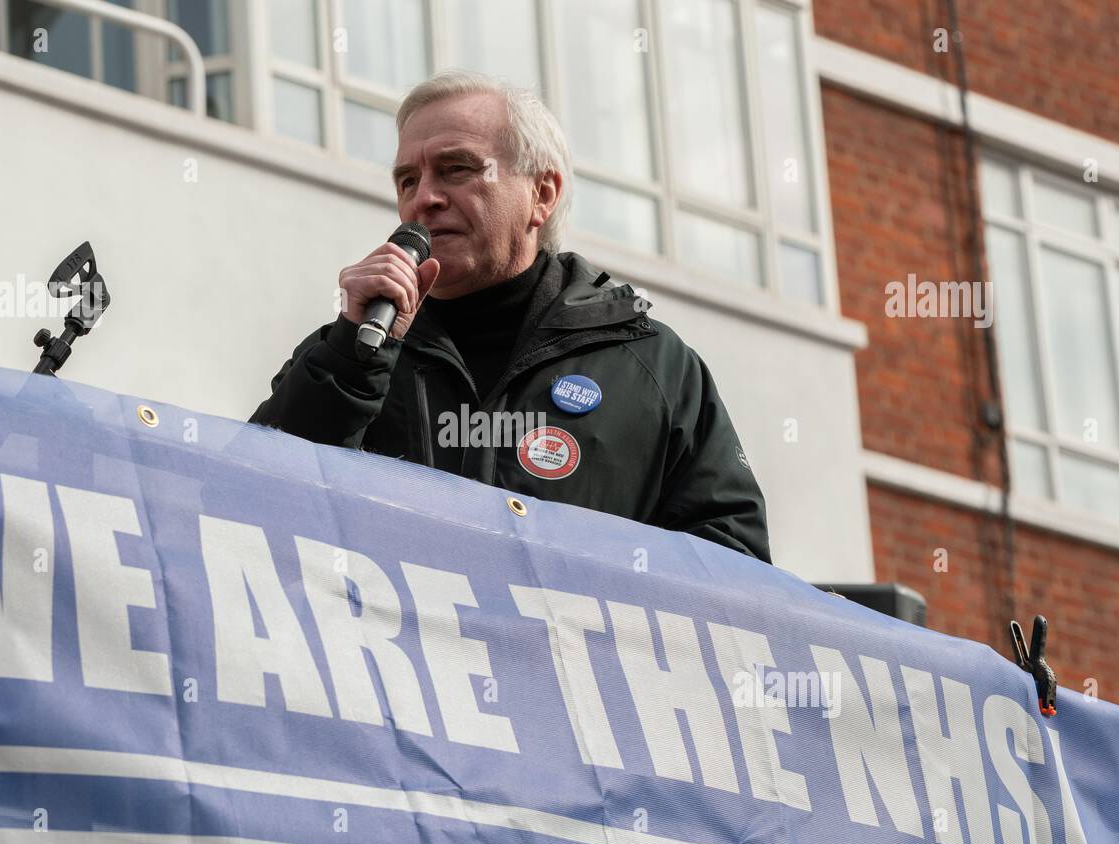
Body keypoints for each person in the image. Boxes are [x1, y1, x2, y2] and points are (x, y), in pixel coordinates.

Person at [250, 70, 771, 564]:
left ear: (541, 195)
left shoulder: (652, 365)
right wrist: (349, 362)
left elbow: (730, 565)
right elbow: (252, 505)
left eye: (457, 169)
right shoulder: (355, 347)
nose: (423, 199)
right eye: (407, 180)